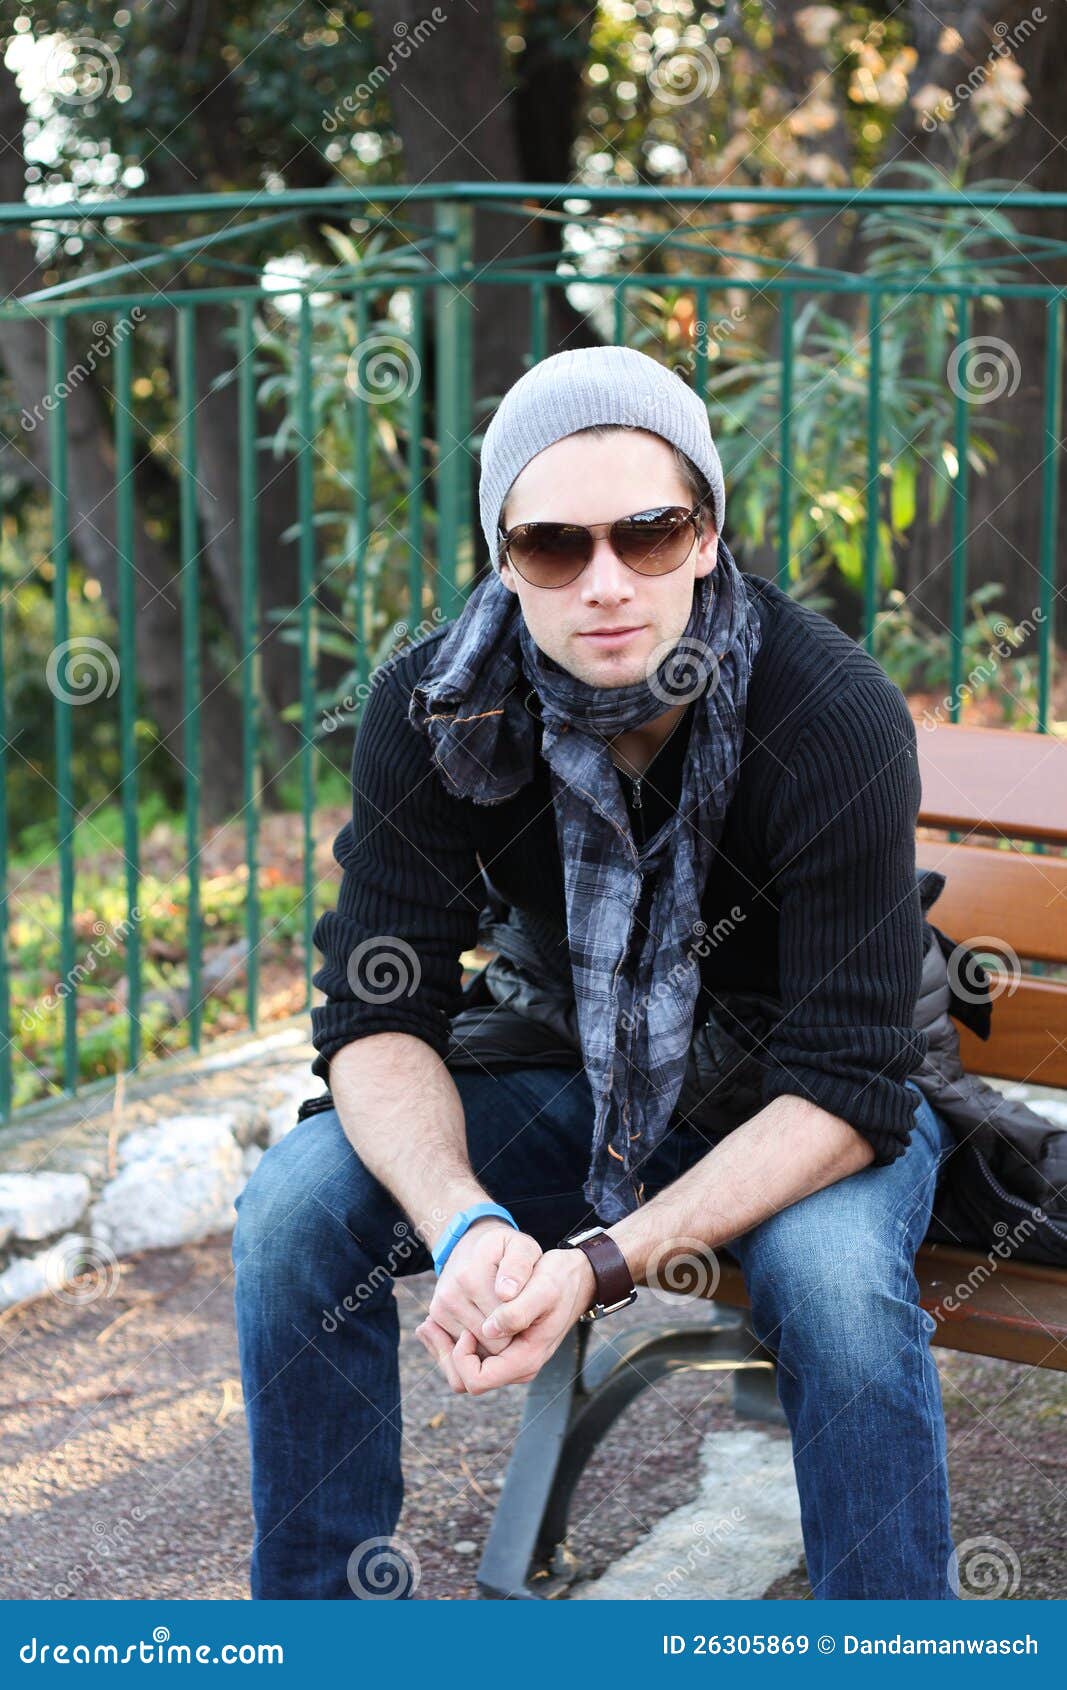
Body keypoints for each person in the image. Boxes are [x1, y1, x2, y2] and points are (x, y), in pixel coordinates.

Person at [232, 345, 959, 1601]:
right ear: (504, 557)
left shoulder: (825, 709)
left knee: (832, 1285)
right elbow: (373, 1010)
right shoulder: (437, 706)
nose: (607, 582)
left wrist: (595, 1261)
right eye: (556, 546)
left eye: (649, 531)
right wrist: (461, 1217)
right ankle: (324, 1640)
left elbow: (847, 1083)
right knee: (297, 1207)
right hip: (573, 1063)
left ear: (708, 535)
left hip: (806, 1101)